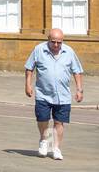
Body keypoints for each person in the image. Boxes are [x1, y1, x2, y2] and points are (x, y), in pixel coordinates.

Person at [24, 27, 83, 160]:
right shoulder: (39, 50)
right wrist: (28, 85)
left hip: (63, 95)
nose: (56, 45)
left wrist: (79, 90)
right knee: (43, 119)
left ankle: (55, 148)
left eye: (59, 42)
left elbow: (77, 71)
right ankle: (44, 141)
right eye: (53, 42)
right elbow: (29, 68)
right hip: (43, 93)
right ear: (48, 40)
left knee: (59, 122)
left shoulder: (69, 52)